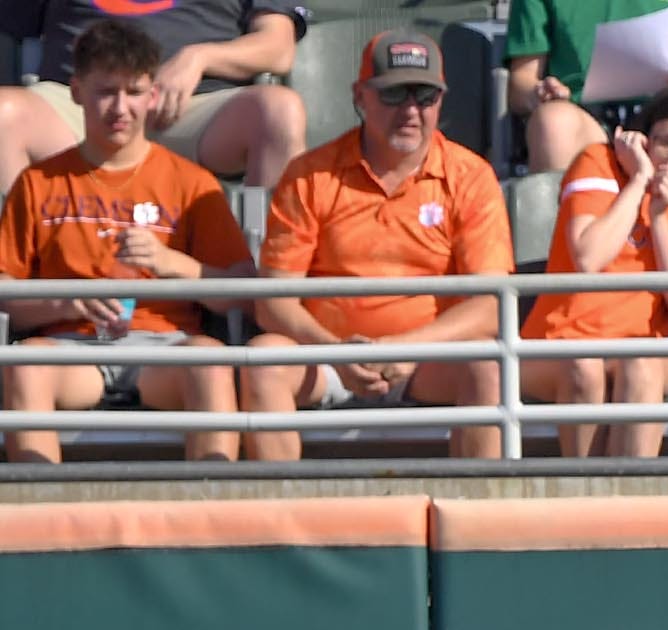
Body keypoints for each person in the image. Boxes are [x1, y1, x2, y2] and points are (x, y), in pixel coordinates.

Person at [241, 32, 513, 462]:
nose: (410, 111)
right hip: (326, 357)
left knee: (489, 371)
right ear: (360, 96)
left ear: (441, 100)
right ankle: (282, 521)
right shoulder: (309, 174)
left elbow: (492, 305)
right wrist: (339, 353)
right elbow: (273, 302)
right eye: (392, 95)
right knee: (263, 362)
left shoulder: (471, 176)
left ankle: (475, 520)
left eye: (424, 95)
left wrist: (408, 351)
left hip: (428, 360)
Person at [0, 20, 251, 463]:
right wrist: (68, 304)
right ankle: (47, 522)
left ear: (153, 95)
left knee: (209, 360)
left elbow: (241, 291)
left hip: (163, 350)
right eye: (105, 91)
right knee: (24, 364)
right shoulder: (39, 181)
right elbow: (8, 293)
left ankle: (212, 515)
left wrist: (173, 263)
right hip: (69, 351)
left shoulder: (191, 182)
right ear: (76, 92)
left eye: (134, 92)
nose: (120, 108)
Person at [520, 84, 668, 458]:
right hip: (561, 342)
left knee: (640, 365)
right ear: (643, 138)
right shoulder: (598, 162)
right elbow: (588, 259)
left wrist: (659, 215)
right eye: (667, 143)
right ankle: (583, 498)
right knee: (585, 367)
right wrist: (640, 181)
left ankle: (631, 504)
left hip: (650, 350)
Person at [0, 0, 307, 195]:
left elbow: (277, 47)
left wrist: (199, 58)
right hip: (79, 103)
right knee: (3, 114)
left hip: (191, 107)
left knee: (279, 112)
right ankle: (20, 283)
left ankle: (272, 285)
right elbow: (16, 24)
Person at [505, 0, 668, 175]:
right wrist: (542, 93)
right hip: (581, 118)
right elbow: (521, 83)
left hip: (667, 117)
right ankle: (562, 232)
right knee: (553, 121)